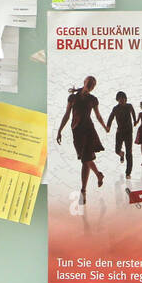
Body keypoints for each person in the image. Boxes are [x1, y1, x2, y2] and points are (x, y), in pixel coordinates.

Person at [55, 76, 109, 204]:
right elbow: (67, 115)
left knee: (86, 159)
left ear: (93, 87)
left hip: (89, 131)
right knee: (86, 159)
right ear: (85, 82)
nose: (91, 85)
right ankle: (98, 175)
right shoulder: (73, 98)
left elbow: (98, 115)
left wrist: (105, 126)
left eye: (93, 84)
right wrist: (59, 130)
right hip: (76, 131)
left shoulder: (93, 100)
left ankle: (83, 191)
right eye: (90, 82)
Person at [105, 91, 136, 177]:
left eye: (123, 99)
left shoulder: (129, 106)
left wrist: (135, 121)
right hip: (119, 132)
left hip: (128, 132)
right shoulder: (115, 108)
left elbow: (133, 113)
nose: (122, 100)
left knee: (129, 152)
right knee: (117, 150)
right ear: (117, 100)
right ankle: (121, 154)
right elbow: (111, 117)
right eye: (120, 99)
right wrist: (108, 126)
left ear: (126, 99)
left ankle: (128, 172)